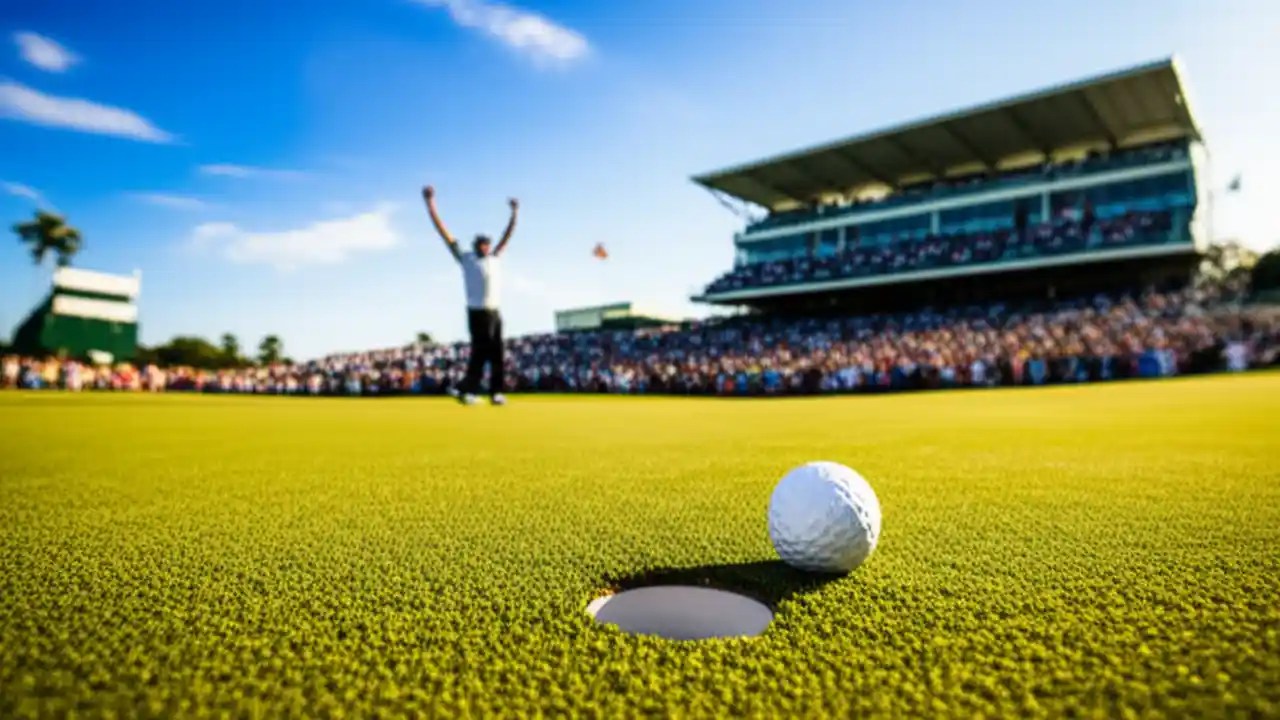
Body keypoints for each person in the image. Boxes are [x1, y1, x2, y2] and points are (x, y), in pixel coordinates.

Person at [422, 185, 518, 405]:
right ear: (476, 245)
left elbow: (507, 235)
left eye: (487, 245)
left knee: (497, 353)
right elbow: (443, 233)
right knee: (479, 353)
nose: (486, 248)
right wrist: (431, 204)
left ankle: (496, 392)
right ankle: (468, 392)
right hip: (477, 312)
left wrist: (514, 214)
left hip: (495, 311)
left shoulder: (495, 257)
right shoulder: (466, 258)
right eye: (482, 244)